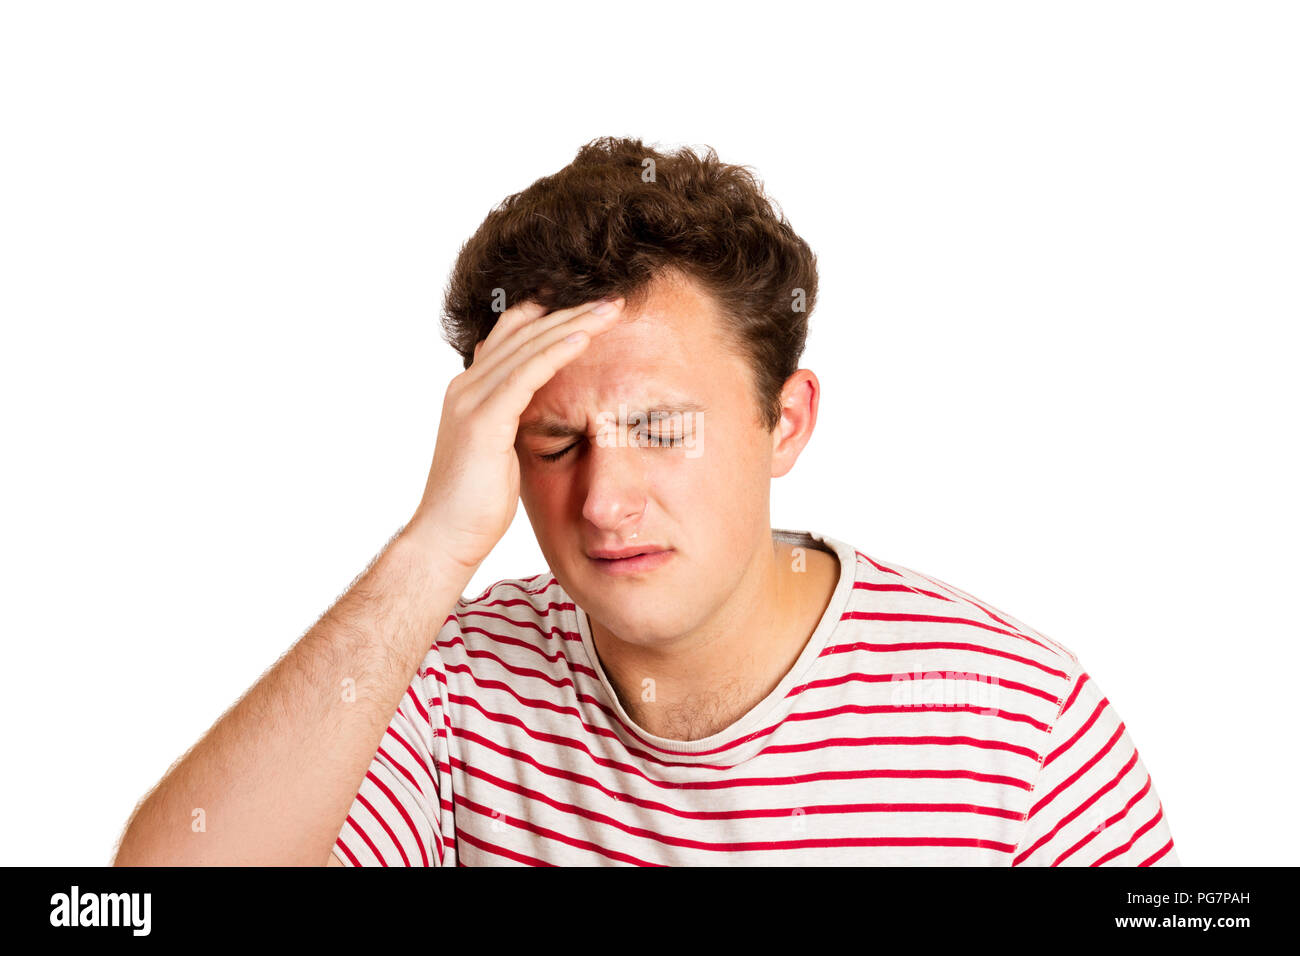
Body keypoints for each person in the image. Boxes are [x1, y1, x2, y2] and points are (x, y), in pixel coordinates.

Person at [113, 137, 1178, 866]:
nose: (605, 499)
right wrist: (433, 545)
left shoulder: (1019, 721)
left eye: (662, 429)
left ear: (787, 422)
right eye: (552, 438)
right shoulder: (446, 690)